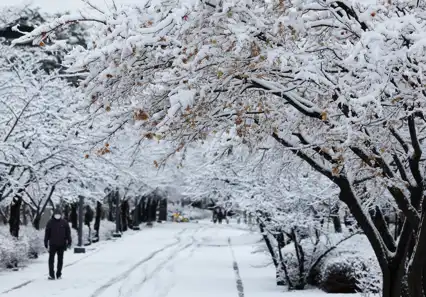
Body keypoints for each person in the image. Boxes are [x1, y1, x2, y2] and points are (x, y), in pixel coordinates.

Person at [44, 208, 72, 280]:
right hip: (53, 244)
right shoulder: (50, 223)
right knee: (51, 260)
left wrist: (69, 241)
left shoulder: (64, 222)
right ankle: (51, 274)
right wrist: (46, 242)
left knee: (60, 260)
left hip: (61, 244)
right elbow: (47, 233)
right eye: (56, 214)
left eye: (58, 214)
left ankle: (59, 274)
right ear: (54, 215)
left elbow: (68, 233)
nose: (57, 216)